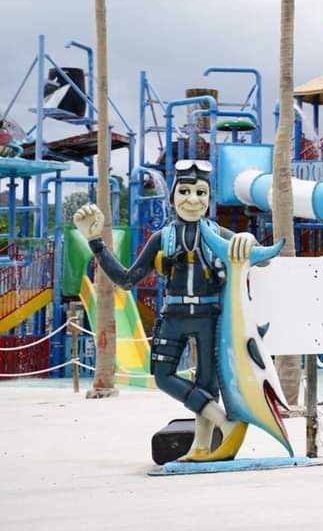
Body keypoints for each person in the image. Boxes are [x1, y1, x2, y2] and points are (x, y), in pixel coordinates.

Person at [73, 160, 257, 462]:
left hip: (211, 317)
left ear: (209, 198)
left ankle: (201, 447)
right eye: (184, 191)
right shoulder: (162, 238)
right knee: (162, 375)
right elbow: (127, 279)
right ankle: (226, 424)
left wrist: (248, 240)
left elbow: (260, 259)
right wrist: (95, 242)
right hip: (174, 315)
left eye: (201, 193)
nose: (193, 199)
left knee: (207, 383)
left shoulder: (222, 235)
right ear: (172, 197)